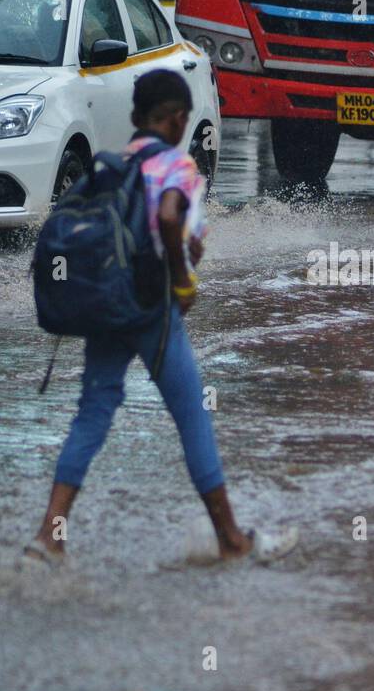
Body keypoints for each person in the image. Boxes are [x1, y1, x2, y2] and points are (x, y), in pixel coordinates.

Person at [24, 71, 297, 566]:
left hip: (106, 306)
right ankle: (232, 539)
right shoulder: (176, 164)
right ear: (174, 120)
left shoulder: (115, 163)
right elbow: (170, 217)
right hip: (152, 309)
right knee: (192, 415)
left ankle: (49, 538)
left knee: (91, 413)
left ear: (135, 118)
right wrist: (183, 280)